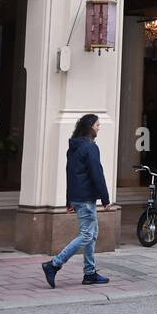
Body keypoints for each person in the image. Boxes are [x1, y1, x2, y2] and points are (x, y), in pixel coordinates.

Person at [42, 114, 111, 288]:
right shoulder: (90, 147)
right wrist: (105, 198)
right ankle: (54, 264)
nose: (98, 127)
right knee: (87, 235)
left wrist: (69, 200)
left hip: (78, 197)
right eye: (97, 124)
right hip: (86, 198)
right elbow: (97, 174)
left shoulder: (74, 147)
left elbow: (69, 174)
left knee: (92, 235)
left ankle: (90, 273)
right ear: (90, 127)